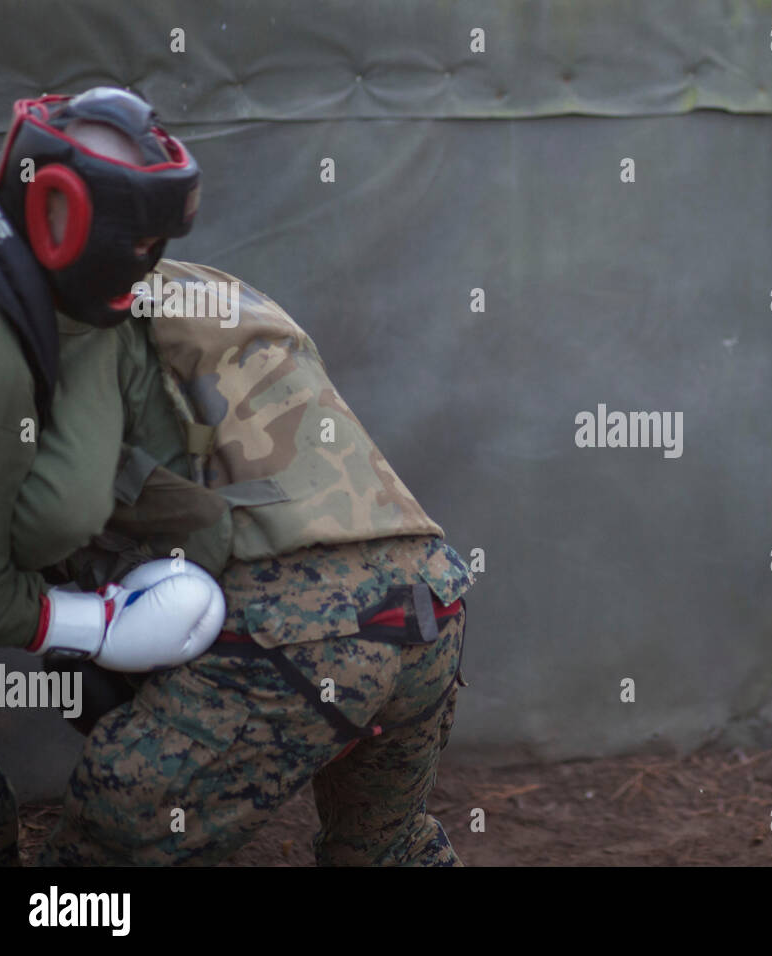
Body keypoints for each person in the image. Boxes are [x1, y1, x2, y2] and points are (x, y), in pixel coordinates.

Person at [29, 255, 475, 866]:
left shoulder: (51, 317)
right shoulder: (210, 286)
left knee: (100, 862)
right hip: (428, 595)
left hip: (292, 626)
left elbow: (61, 516)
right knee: (389, 848)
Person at [0, 87, 222, 865]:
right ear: (56, 207)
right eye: (135, 236)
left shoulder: (16, 265)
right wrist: (99, 627)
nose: (146, 258)